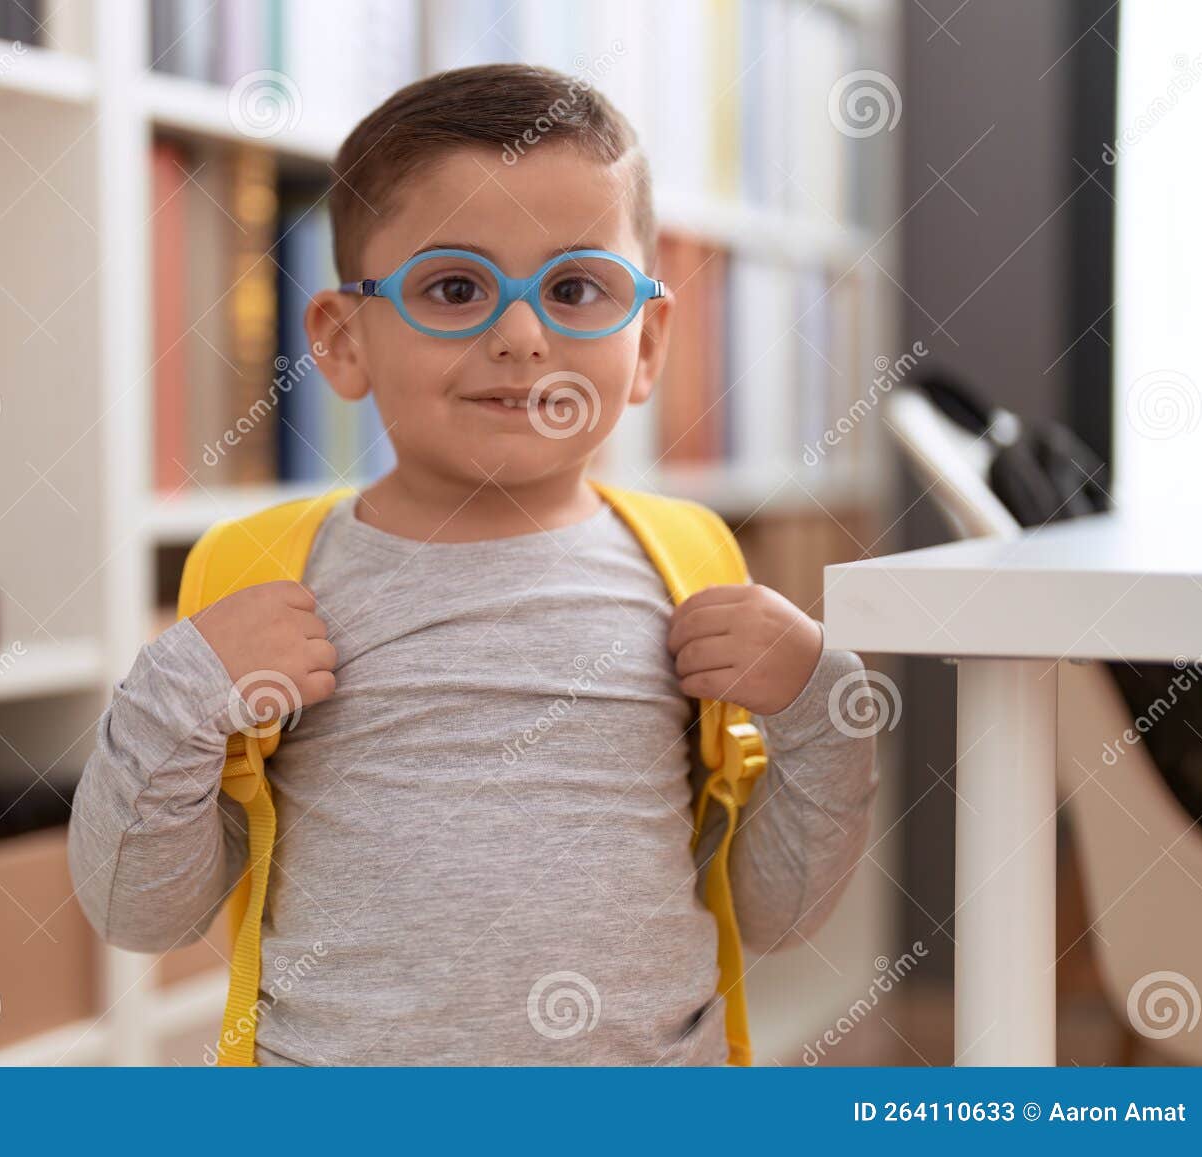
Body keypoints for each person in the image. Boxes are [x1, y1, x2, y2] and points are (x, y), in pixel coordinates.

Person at [68, 62, 879, 1066]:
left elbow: (775, 911)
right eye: (455, 287)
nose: (522, 336)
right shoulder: (264, 577)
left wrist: (820, 704)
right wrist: (176, 692)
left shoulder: (691, 570)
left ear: (651, 338)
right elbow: (139, 910)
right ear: (341, 338)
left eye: (577, 287)